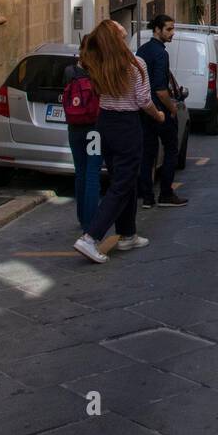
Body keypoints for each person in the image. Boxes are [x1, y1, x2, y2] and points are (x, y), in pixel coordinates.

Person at [73, 20, 164, 265]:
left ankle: (128, 233)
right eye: (118, 28)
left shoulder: (96, 63)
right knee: (122, 184)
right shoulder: (135, 64)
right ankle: (91, 237)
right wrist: (159, 115)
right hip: (126, 126)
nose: (123, 28)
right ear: (116, 37)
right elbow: (144, 100)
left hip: (105, 124)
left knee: (123, 179)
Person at [137, 14, 188, 209]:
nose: (172, 33)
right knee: (171, 149)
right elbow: (160, 89)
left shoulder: (142, 50)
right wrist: (172, 107)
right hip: (159, 110)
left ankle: (147, 196)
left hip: (144, 110)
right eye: (168, 29)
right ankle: (166, 193)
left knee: (147, 153)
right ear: (157, 30)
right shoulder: (160, 54)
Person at [63, 36, 102, 233]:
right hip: (94, 129)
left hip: (74, 128)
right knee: (93, 172)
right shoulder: (99, 73)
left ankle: (81, 217)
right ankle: (90, 221)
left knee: (80, 172)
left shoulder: (70, 71)